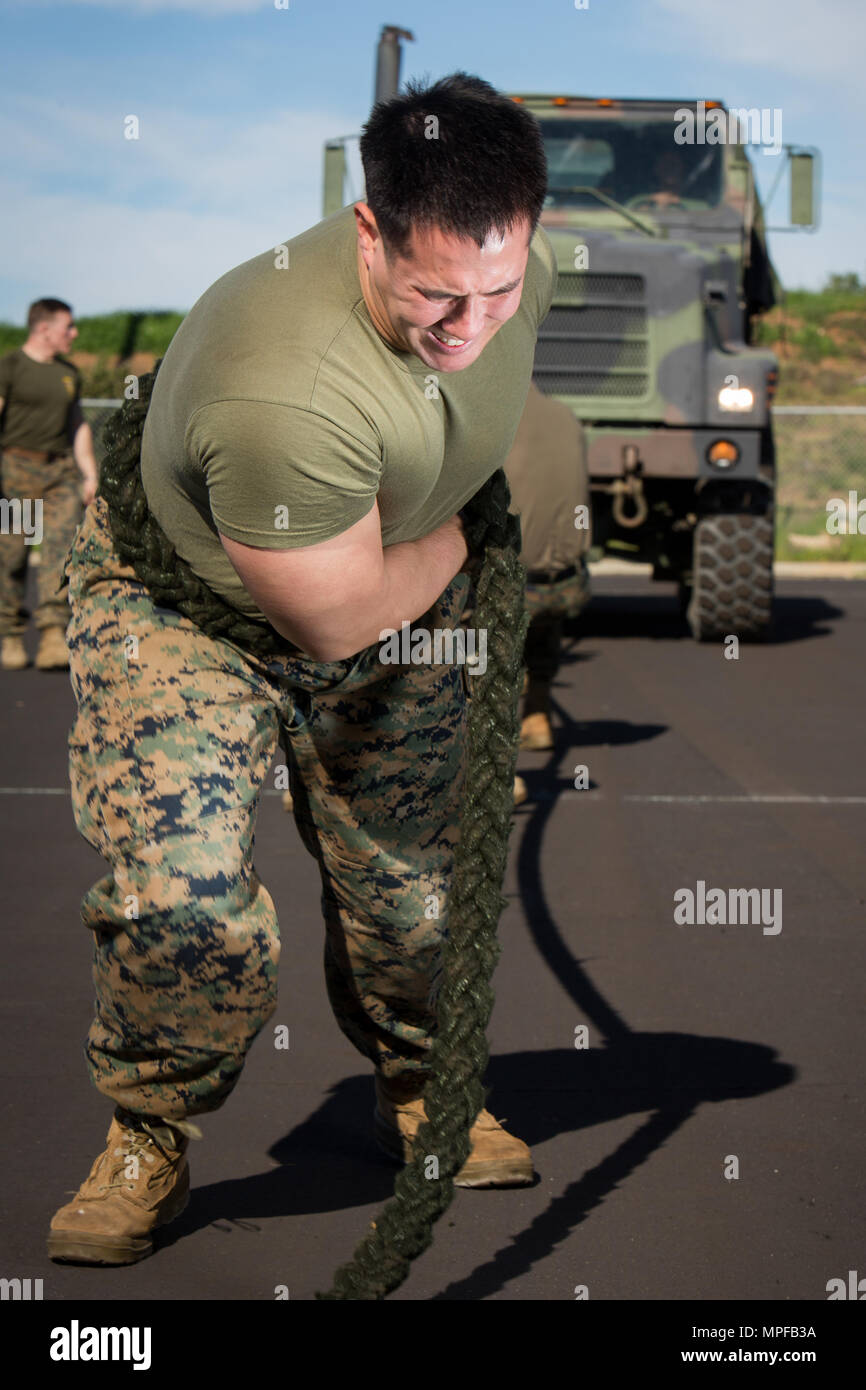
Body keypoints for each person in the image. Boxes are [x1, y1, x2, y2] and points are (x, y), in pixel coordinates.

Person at [47, 72, 556, 1267]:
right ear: (366, 229)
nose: (471, 325)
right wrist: (458, 534)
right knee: (187, 900)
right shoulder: (284, 380)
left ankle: (423, 1086)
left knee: (418, 894)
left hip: (374, 574)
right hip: (193, 609)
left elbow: (485, 324)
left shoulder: (498, 248)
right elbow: (340, 619)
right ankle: (150, 1129)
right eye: (436, 295)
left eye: (499, 288)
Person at [504, 383, 591, 803]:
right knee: (541, 627)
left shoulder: (492, 420)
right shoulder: (565, 416)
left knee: (467, 655)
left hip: (519, 585)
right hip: (566, 581)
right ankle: (537, 715)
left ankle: (496, 768)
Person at [0, 299, 98, 670]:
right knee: (12, 556)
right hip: (16, 473)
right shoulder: (10, 367)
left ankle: (53, 633)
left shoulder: (69, 373)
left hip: (59, 475)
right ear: (44, 328)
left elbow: (78, 425)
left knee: (59, 552)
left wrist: (89, 473)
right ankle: (10, 634)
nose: (73, 334)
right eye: (67, 327)